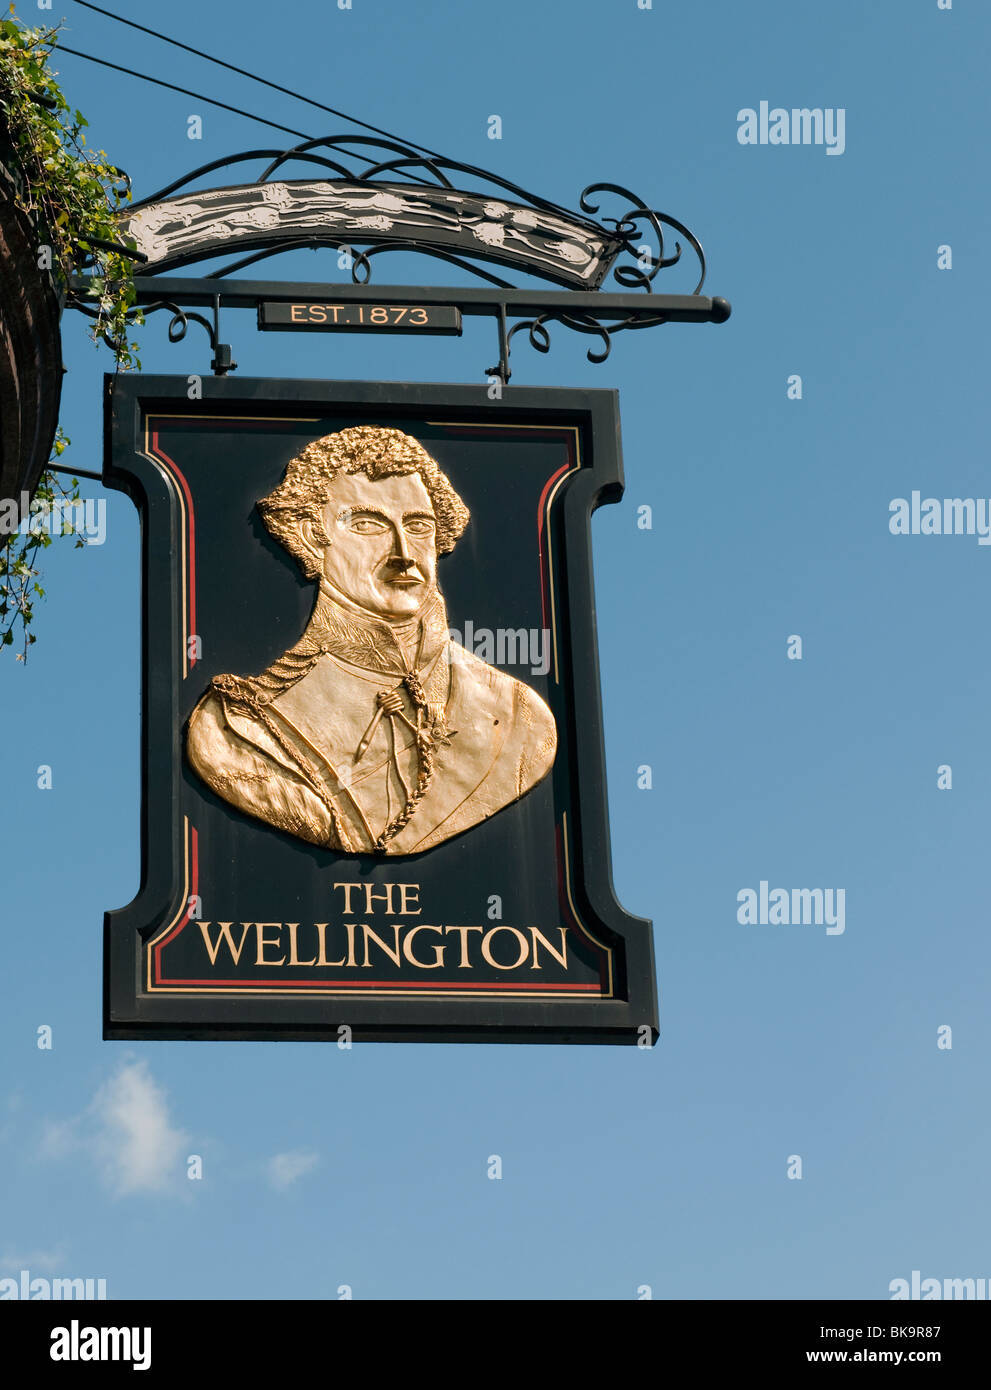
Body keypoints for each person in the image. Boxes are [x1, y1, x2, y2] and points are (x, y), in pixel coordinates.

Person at [186, 425, 557, 855]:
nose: (403, 551)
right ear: (310, 536)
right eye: (367, 524)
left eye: (418, 526)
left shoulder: (518, 716)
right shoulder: (237, 728)